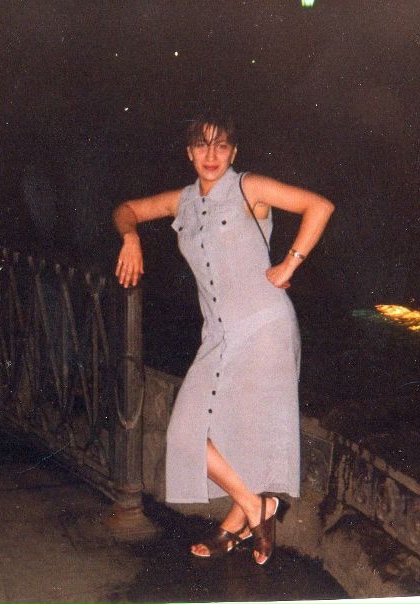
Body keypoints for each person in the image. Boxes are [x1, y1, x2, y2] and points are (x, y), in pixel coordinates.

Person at [112, 114, 334, 565]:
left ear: (234, 152)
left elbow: (320, 207)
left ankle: (235, 525)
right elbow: (126, 209)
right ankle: (258, 507)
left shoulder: (249, 188)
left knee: (246, 434)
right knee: (184, 435)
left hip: (265, 328)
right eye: (201, 145)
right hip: (217, 335)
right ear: (189, 152)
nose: (211, 155)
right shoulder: (182, 201)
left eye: (221, 146)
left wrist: (289, 264)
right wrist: (130, 237)